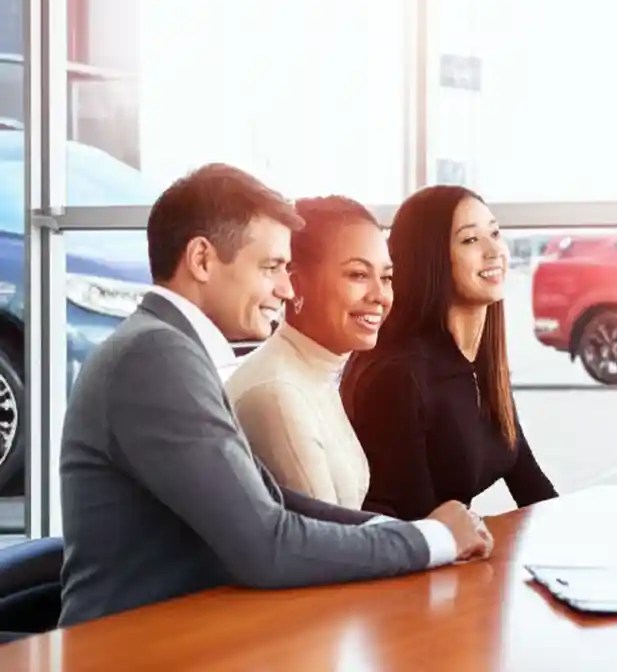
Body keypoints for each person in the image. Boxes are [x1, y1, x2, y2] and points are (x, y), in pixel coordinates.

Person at [59, 165, 493, 627]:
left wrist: (410, 532)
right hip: (132, 649)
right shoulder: (156, 357)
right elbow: (267, 545)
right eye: (270, 268)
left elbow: (271, 498)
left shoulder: (166, 347)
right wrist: (433, 540)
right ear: (202, 260)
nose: (286, 289)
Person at [341, 185, 557, 520]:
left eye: (495, 233)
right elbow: (420, 527)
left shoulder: (480, 364)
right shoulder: (399, 376)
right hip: (408, 562)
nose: (494, 250)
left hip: (452, 556)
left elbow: (533, 488)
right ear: (432, 258)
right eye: (470, 240)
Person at [226, 196, 390, 509]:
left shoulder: (314, 370)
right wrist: (432, 534)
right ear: (296, 285)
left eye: (386, 277)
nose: (380, 295)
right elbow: (328, 547)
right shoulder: (278, 393)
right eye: (358, 274)